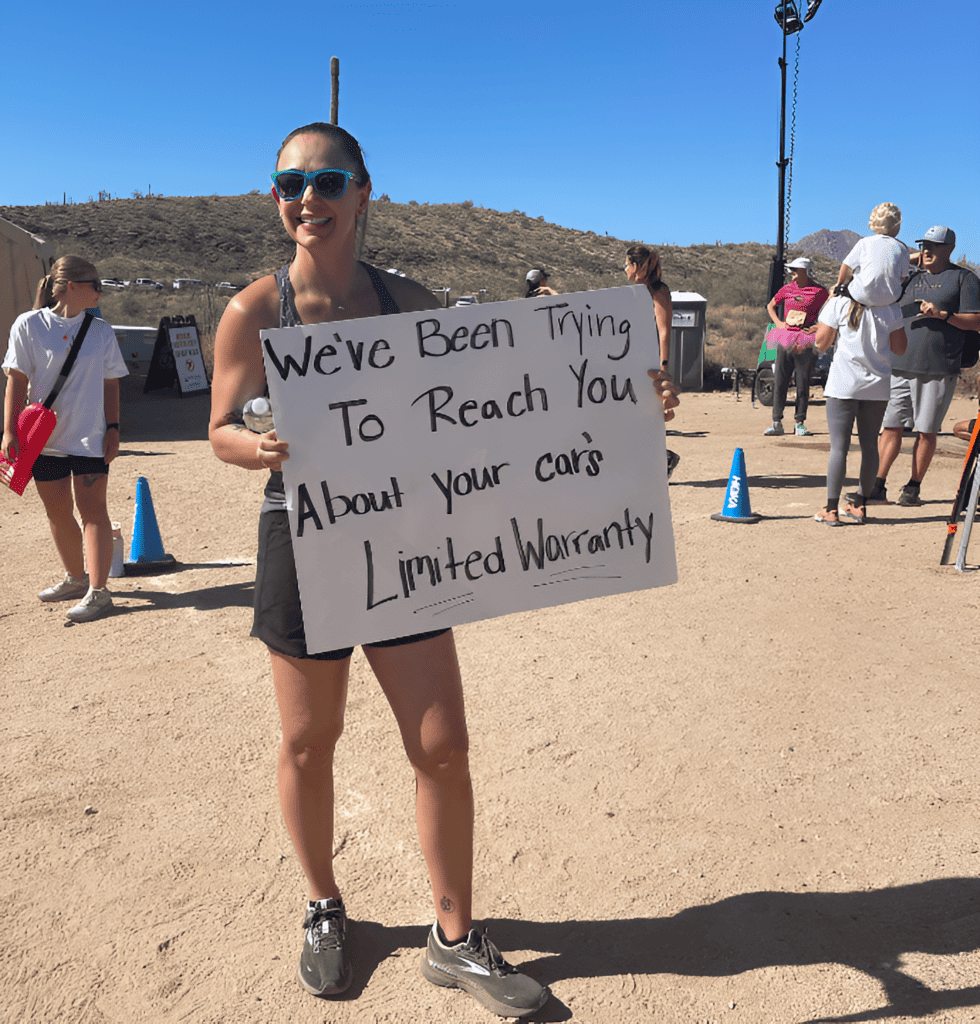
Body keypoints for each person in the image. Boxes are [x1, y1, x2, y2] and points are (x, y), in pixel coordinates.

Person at [209, 121, 680, 1017]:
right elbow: (219, 428)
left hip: (408, 539)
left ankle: (454, 938)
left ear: (362, 192)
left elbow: (508, 402)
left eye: (327, 180)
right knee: (310, 740)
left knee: (441, 747)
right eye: (288, 183)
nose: (306, 197)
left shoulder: (409, 301)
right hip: (303, 539)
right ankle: (323, 906)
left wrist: (631, 391)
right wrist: (255, 445)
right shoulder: (252, 310)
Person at [2, 256, 127, 622]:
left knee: (93, 513)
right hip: (43, 440)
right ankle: (76, 579)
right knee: (57, 511)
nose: (100, 292)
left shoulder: (100, 331)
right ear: (71, 286)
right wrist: (9, 430)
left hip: (90, 439)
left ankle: (99, 592)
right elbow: (17, 380)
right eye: (95, 284)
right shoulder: (28, 325)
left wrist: (115, 428)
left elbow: (111, 383)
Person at [868, 226, 980, 506]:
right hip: (900, 364)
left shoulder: (963, 279)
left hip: (938, 367)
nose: (927, 251)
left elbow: (976, 321)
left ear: (950, 249)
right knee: (891, 426)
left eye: (934, 246)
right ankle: (877, 484)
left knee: (926, 430)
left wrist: (943, 315)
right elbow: (889, 264)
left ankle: (913, 487)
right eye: (924, 246)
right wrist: (916, 258)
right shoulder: (911, 278)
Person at [811, 296, 908, 524]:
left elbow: (821, 343)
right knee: (870, 445)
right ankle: (860, 503)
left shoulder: (839, 304)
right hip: (877, 386)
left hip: (844, 384)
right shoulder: (891, 307)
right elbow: (900, 348)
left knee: (839, 447)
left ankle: (832, 508)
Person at [624, 245, 680, 478]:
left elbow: (664, 331)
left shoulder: (658, 291)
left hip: (652, 366)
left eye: (627, 263)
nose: (625, 268)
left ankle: (664, 460)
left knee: (649, 415)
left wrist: (663, 370)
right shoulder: (635, 292)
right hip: (635, 362)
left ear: (637, 266)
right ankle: (657, 462)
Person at [763, 257, 829, 437]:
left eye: (794, 269)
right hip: (786, 338)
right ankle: (776, 422)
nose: (791, 272)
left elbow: (833, 306)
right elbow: (770, 305)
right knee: (781, 380)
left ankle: (800, 423)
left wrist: (820, 326)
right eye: (790, 269)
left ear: (804, 271)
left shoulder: (819, 291)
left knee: (803, 382)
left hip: (806, 340)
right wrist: (778, 323)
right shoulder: (787, 289)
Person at [834, 202, 909, 308]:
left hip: (861, 296)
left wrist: (839, 285)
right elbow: (903, 276)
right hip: (890, 298)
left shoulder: (864, 242)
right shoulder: (902, 247)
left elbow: (846, 266)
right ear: (896, 226)